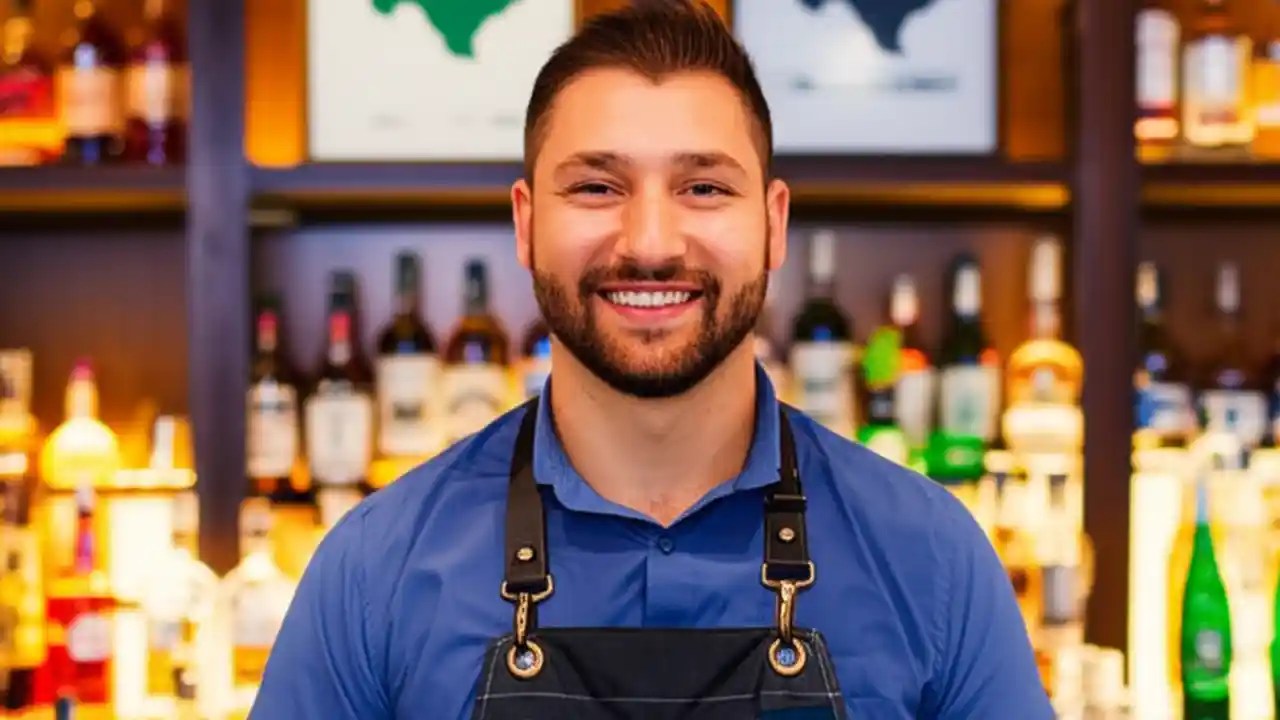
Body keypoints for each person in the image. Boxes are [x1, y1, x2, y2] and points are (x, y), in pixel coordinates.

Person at [250, 2, 1054, 718]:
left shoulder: (932, 558)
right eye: (597, 187)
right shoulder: (374, 571)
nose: (651, 244)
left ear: (774, 223)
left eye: (704, 188)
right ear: (526, 224)